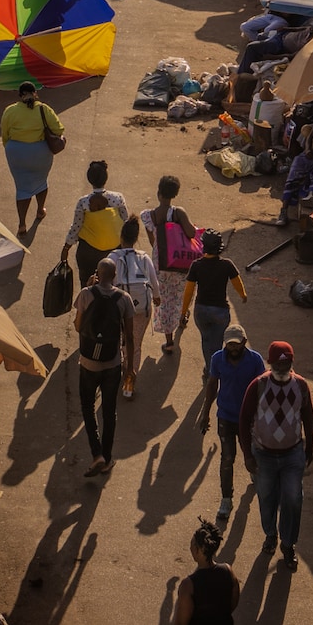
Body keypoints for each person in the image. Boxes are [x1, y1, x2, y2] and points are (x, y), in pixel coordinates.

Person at [238, 339, 313, 569]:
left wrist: (309, 447)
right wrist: (247, 455)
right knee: (267, 498)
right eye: (278, 365)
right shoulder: (258, 385)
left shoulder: (300, 386)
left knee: (293, 498)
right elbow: (243, 420)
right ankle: (270, 534)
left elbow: (309, 416)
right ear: (270, 364)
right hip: (263, 454)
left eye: (286, 364)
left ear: (292, 363)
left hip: (293, 454)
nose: (282, 370)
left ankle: (288, 544)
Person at [76, 257, 141, 478]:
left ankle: (97, 454)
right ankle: (107, 456)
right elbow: (130, 338)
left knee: (87, 406)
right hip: (112, 363)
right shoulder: (124, 298)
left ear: (97, 273)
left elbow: (78, 326)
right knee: (109, 411)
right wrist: (130, 368)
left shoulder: (86, 294)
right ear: (115, 276)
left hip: (87, 363)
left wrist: (87, 285)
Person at [200, 322, 263, 525]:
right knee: (227, 459)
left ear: (244, 342)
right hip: (226, 416)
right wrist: (205, 413)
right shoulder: (218, 358)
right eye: (230, 345)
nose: (233, 348)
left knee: (250, 453)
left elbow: (262, 388)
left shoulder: (255, 360)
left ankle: (254, 473)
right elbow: (212, 385)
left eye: (236, 344)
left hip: (249, 418)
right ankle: (226, 499)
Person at [0, 81, 64, 238]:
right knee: (41, 182)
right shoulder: (44, 109)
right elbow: (59, 129)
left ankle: (22, 223)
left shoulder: (10, 111)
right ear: (35, 93)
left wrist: (12, 148)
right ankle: (40, 211)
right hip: (39, 152)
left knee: (22, 188)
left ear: (20, 95)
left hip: (16, 152)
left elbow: (5, 135)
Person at [143, 175, 197, 356]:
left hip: (161, 261)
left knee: (164, 299)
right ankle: (182, 317)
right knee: (181, 292)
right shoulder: (178, 213)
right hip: (180, 260)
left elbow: (152, 241)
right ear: (175, 194)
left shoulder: (149, 215)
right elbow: (191, 233)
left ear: (159, 193)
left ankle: (169, 341)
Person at [61, 159, 130, 290]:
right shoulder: (118, 198)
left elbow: (76, 227)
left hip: (88, 251)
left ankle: (87, 306)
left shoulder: (83, 202)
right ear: (106, 178)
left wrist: (66, 248)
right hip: (114, 251)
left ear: (89, 179)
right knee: (115, 284)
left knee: (87, 285)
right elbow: (126, 222)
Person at [181, 229, 246, 364]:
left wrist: (183, 311)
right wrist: (243, 295)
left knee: (206, 339)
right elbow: (237, 282)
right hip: (220, 311)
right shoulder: (227, 265)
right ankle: (215, 369)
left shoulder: (196, 266)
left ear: (203, 246)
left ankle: (209, 368)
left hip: (201, 310)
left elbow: (188, 291)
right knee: (217, 343)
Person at [109, 216, 155, 395]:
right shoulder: (144, 258)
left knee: (120, 339)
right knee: (135, 345)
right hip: (141, 308)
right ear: (136, 238)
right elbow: (154, 283)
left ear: (121, 237)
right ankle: (129, 384)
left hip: (118, 308)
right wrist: (156, 299)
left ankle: (122, 365)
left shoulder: (113, 257)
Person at [171, 519, 239, 625]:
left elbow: (180, 623)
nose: (190, 548)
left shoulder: (188, 585)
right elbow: (233, 603)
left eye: (192, 545)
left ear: (198, 550)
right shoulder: (228, 571)